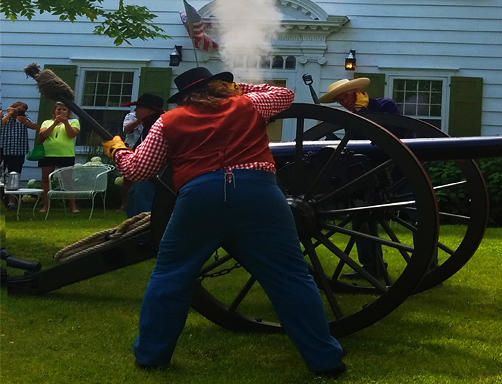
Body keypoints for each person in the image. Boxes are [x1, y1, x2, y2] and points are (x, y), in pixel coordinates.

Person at [101, 66, 344, 376]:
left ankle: (151, 355)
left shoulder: (167, 120)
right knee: (291, 278)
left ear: (184, 96)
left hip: (201, 196)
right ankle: (325, 360)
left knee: (171, 276)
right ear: (219, 87)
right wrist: (234, 87)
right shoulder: (249, 104)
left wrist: (118, 150)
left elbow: (137, 171)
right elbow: (284, 94)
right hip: (260, 194)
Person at [318, 78, 401, 280]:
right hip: (368, 174)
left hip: (399, 171)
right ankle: (372, 268)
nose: (343, 103)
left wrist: (364, 114)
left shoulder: (385, 105)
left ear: (357, 91)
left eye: (344, 96)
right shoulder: (352, 120)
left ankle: (429, 267)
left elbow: (394, 134)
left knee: (420, 215)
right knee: (362, 219)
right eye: (339, 100)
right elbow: (355, 149)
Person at [119, 93, 165, 214]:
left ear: (150, 111)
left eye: (139, 107)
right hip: (148, 175)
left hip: (150, 175)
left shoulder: (154, 125)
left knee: (140, 204)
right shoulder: (148, 123)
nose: (136, 110)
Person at [38, 102, 80, 213]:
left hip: (66, 154)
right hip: (48, 154)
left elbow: (71, 134)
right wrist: (54, 124)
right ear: (54, 111)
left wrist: (65, 123)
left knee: (67, 181)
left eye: (64, 109)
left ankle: (73, 206)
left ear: (68, 112)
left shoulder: (74, 122)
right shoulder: (47, 122)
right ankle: (46, 206)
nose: (61, 111)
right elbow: (43, 135)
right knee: (46, 180)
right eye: (58, 109)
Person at [1, 102, 39, 210]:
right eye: (18, 109)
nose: (20, 112)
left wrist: (25, 122)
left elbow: (36, 127)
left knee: (14, 177)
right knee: (2, 176)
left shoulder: (24, 119)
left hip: (18, 152)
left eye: (23, 110)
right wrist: (9, 114)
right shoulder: (4, 117)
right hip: (3, 151)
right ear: (12, 108)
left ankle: (12, 202)